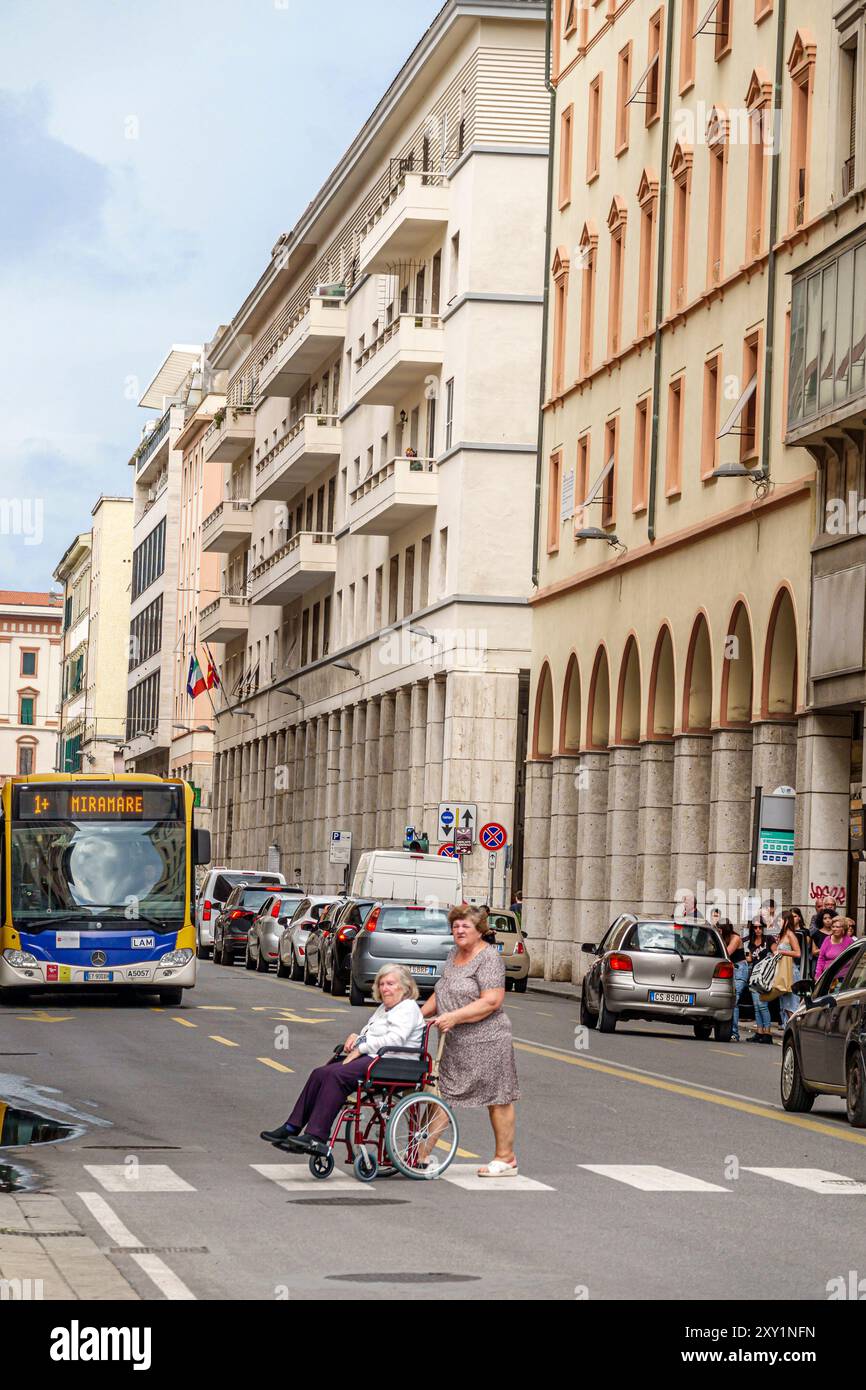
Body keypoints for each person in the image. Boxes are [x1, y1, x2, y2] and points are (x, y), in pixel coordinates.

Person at [259, 964, 424, 1155]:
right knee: (320, 1073)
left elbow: (395, 1039)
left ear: (404, 987)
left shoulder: (407, 1007)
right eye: (382, 984)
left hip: (394, 1063)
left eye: (390, 984)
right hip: (375, 1058)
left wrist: (361, 1047)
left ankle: (316, 1136)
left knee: (337, 1076)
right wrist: (356, 1037)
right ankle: (291, 1127)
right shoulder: (384, 1008)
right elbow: (371, 1035)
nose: (385, 988)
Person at [420, 904, 520, 1178]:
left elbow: (492, 1000)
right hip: (454, 1041)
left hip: (487, 1039)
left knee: (497, 1097)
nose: (460, 930)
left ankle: (505, 1158)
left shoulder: (488, 958)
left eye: (466, 926)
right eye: (455, 926)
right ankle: (420, 1154)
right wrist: (417, 1016)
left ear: (480, 931)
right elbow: (442, 992)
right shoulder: (454, 955)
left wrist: (454, 1016)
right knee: (442, 1094)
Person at [716, 917, 747, 1043]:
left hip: (740, 970)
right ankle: (731, 1031)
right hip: (730, 970)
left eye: (719, 929)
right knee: (729, 1001)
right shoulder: (722, 938)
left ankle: (734, 1032)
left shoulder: (736, 938)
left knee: (734, 1001)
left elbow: (726, 953)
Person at [746, 918, 774, 1044]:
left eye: (760, 927)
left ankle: (768, 1033)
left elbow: (776, 953)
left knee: (763, 1005)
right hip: (754, 975)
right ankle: (759, 1032)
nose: (758, 930)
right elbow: (750, 959)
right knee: (756, 1006)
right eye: (755, 927)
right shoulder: (751, 942)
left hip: (766, 975)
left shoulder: (769, 939)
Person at [774, 909, 803, 1028]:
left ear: (786, 921)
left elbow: (798, 953)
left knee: (792, 1004)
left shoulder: (790, 934)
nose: (778, 922)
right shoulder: (782, 934)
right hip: (782, 971)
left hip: (791, 971)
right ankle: (788, 1030)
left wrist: (781, 951)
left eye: (780, 920)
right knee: (785, 1005)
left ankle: (795, 1030)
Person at [815, 916, 856, 982]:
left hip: (844, 978)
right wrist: (818, 975)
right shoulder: (827, 939)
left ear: (843, 928)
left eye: (837, 927)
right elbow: (821, 958)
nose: (834, 929)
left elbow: (854, 957)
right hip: (828, 977)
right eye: (833, 926)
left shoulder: (849, 940)